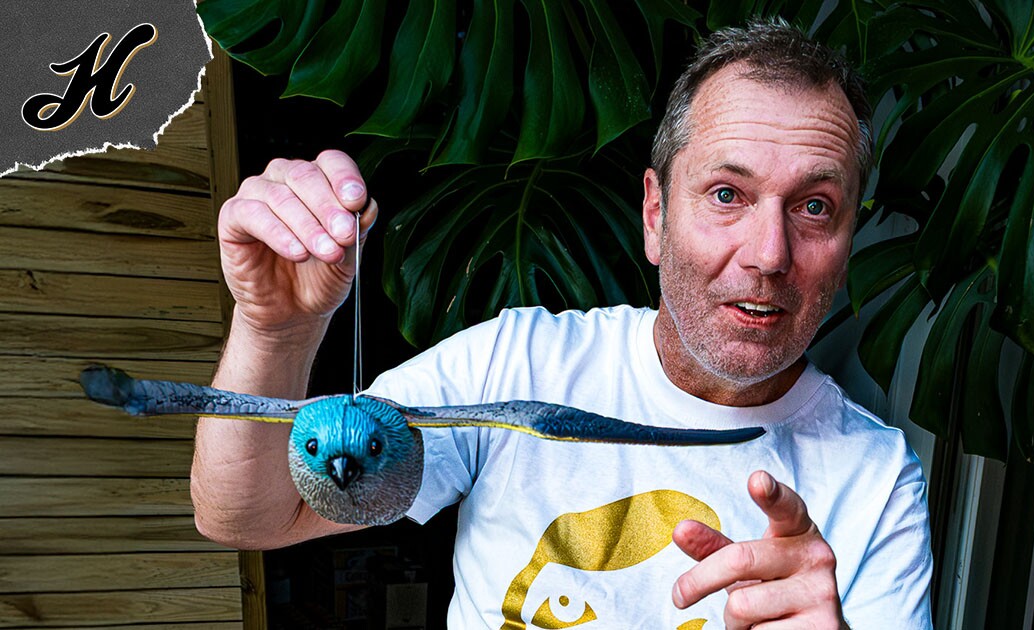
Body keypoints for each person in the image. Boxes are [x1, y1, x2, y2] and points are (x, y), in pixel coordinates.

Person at [192, 19, 933, 629]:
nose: (769, 254)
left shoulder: (874, 480)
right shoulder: (515, 364)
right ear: (655, 214)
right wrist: (275, 331)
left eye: (814, 207)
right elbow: (253, 516)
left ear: (846, 241)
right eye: (726, 195)